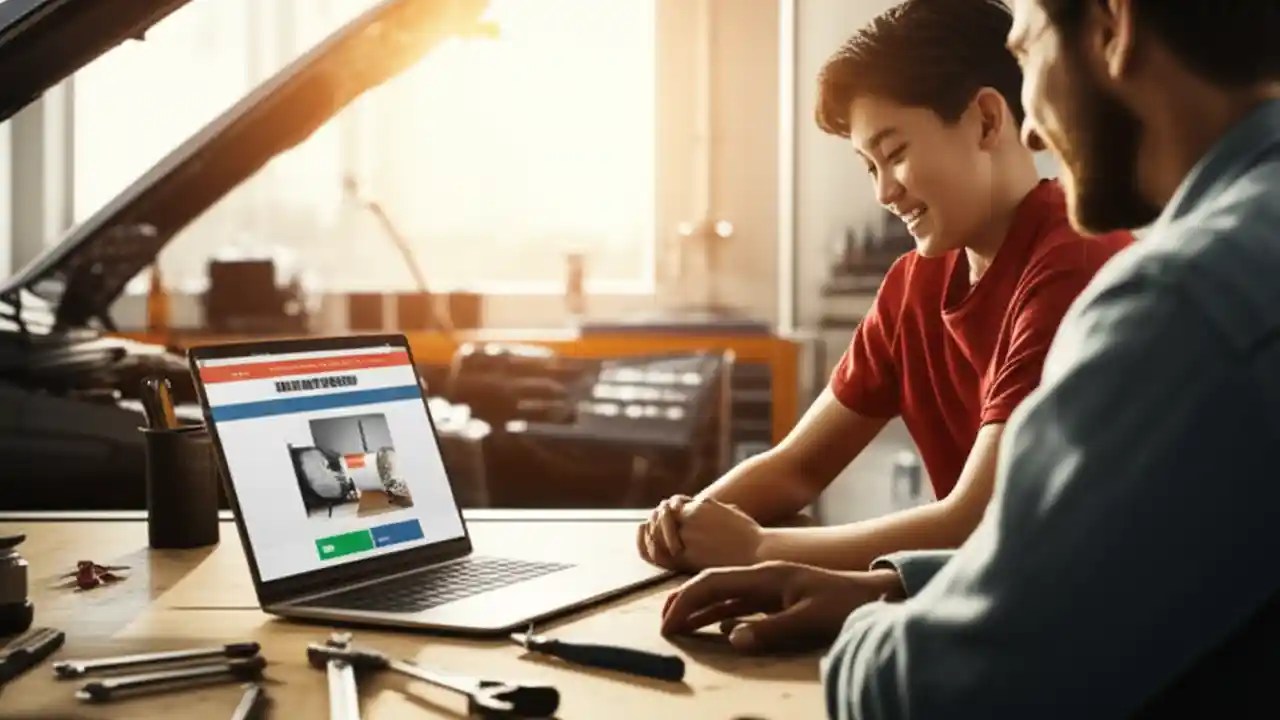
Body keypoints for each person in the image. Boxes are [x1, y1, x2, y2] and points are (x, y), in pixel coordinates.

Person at [660, 0, 1280, 716]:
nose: (1037, 123)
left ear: (1116, 25)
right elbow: (1146, 562)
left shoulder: (1177, 299)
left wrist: (826, 604)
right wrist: (893, 583)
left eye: (1028, 52)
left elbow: (962, 681)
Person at [638, 0, 1129, 574]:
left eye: (894, 154)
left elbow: (979, 518)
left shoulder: (1078, 260)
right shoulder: (914, 285)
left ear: (988, 121)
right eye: (869, 167)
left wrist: (759, 549)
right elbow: (796, 466)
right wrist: (692, 519)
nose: (884, 193)